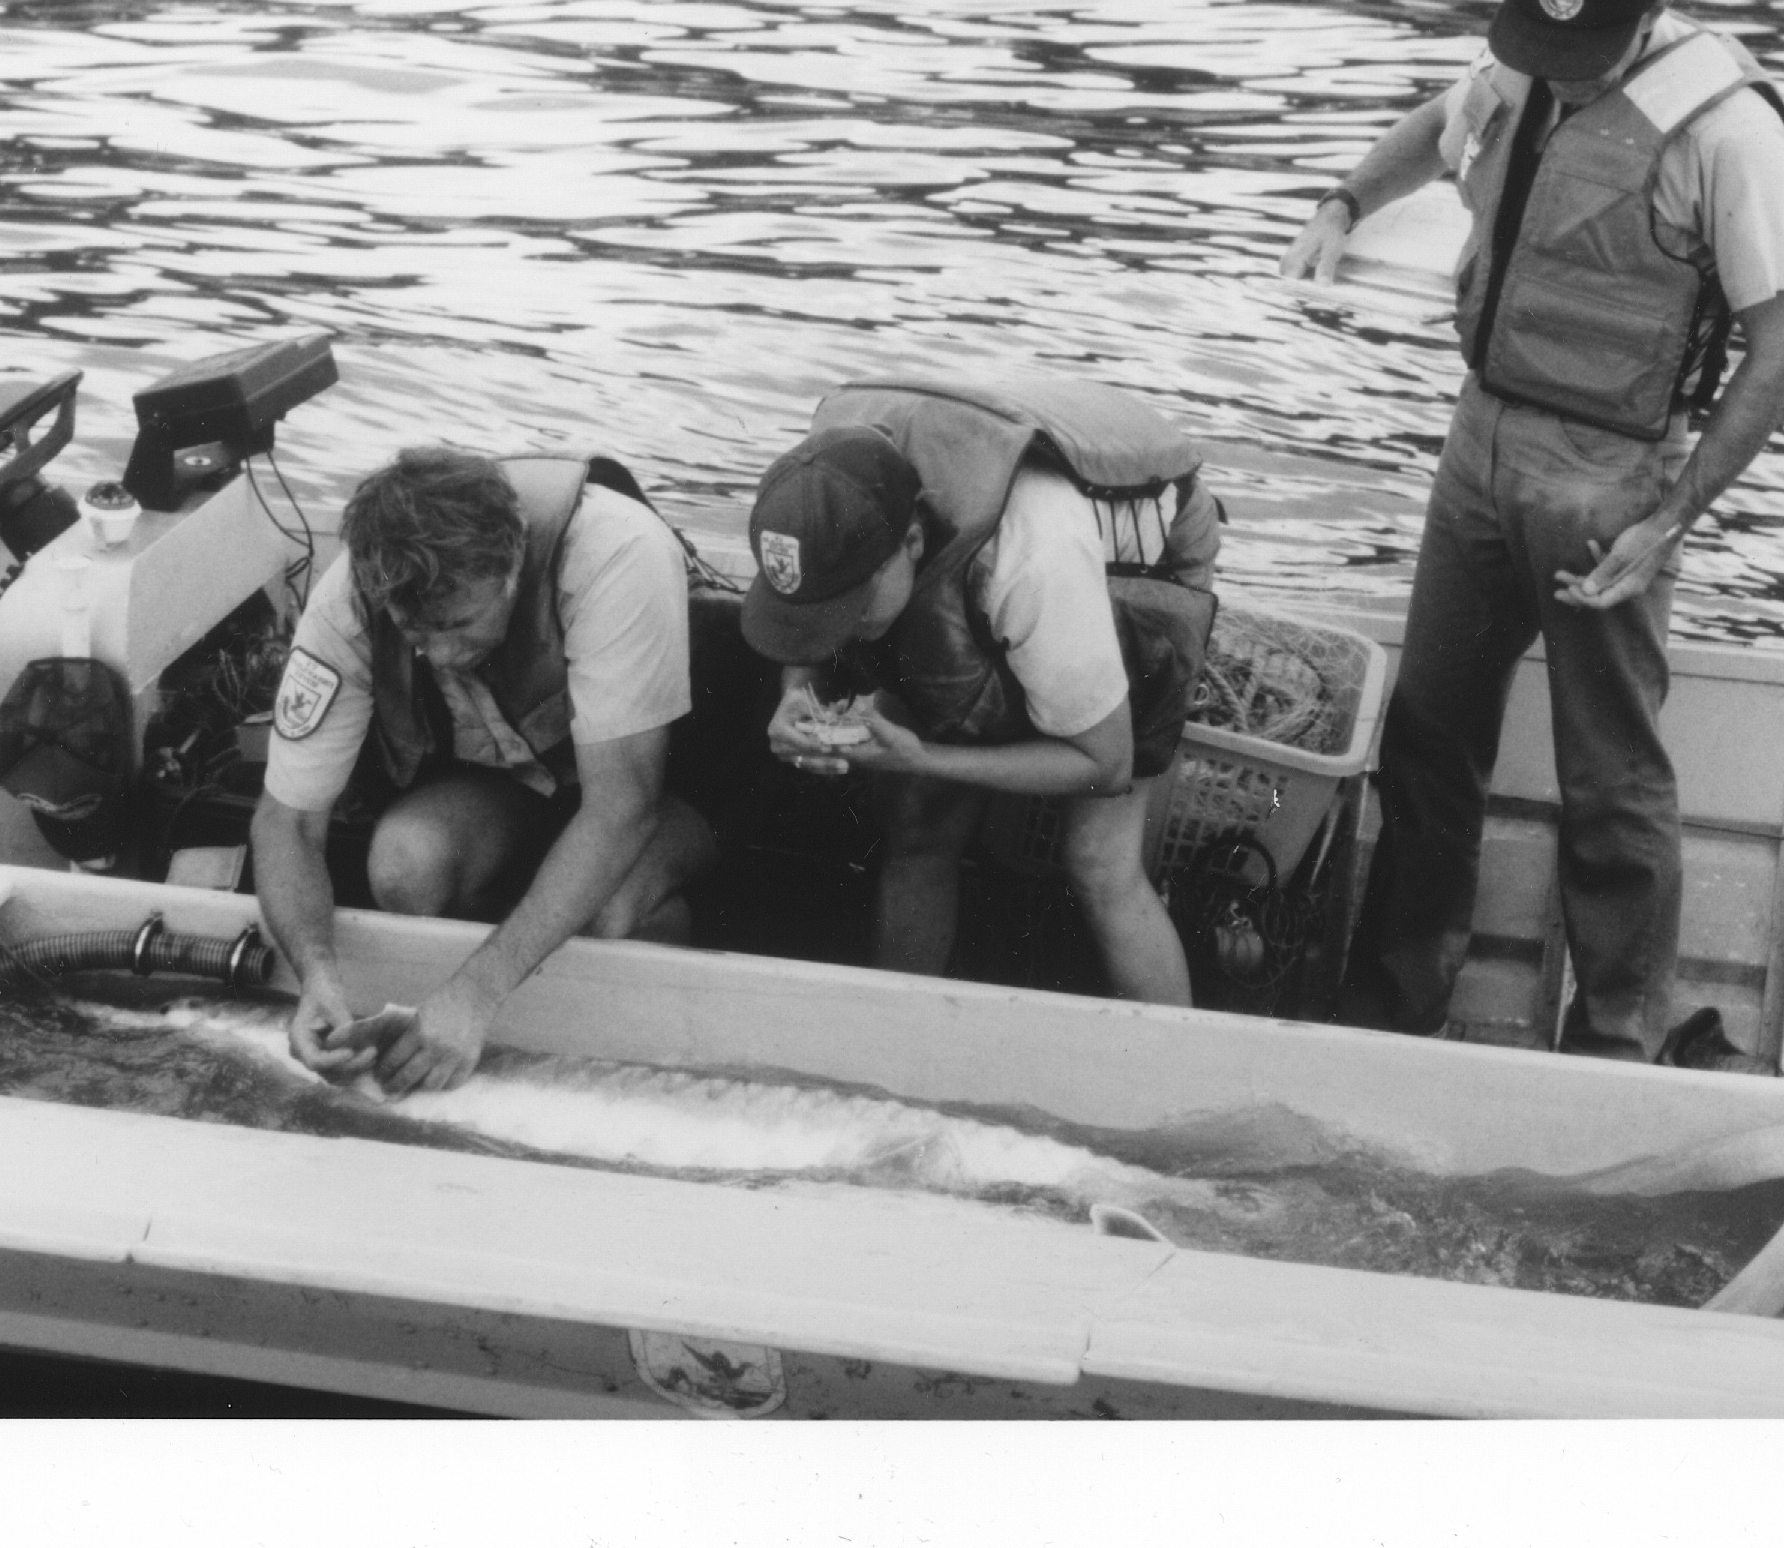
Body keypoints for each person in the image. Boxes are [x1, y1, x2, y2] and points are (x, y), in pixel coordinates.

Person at [1280, 0, 1784, 1061]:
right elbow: (1437, 128)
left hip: (1613, 475)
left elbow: (1783, 348)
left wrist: (1671, 517)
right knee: (1428, 740)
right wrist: (1341, 202)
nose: (1555, 77)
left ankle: (1615, 1039)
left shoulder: (1725, 133)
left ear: (1646, 22)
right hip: (1478, 441)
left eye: (1584, 56)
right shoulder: (1519, 66)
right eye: (1540, 49)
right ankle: (1396, 1001)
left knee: (1609, 779)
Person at [737, 374, 1221, 1008]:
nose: (841, 633)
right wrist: (794, 695)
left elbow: (1104, 765)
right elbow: (806, 620)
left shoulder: (1030, 554)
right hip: (980, 522)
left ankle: (1176, 1076)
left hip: (1142, 549)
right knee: (920, 821)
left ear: (911, 542)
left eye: (852, 610)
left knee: (1099, 861)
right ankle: (897, 1033)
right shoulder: (820, 501)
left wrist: (923, 757)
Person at [253, 446, 717, 1094]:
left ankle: (657, 1042)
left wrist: (474, 995)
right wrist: (319, 976)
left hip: (657, 794)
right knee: (403, 864)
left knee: (611, 912)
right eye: (416, 631)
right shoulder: (353, 596)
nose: (439, 654)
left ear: (513, 562)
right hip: (516, 788)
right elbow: (288, 820)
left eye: (459, 624)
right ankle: (478, 1002)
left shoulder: (618, 551)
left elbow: (621, 810)